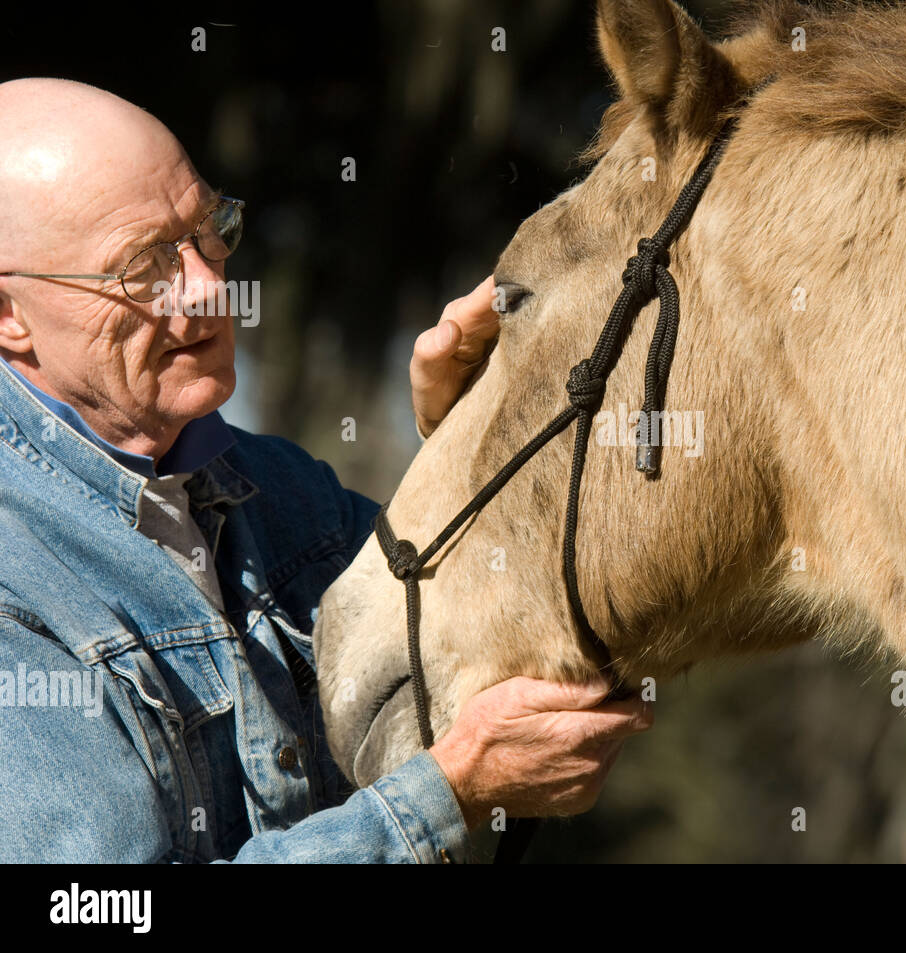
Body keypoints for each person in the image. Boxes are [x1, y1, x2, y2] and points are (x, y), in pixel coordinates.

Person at [0, 77, 651, 863]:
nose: (211, 288)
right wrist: (448, 795)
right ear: (11, 317)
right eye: (143, 268)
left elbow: (461, 646)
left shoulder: (289, 496)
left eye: (211, 232)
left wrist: (472, 435)